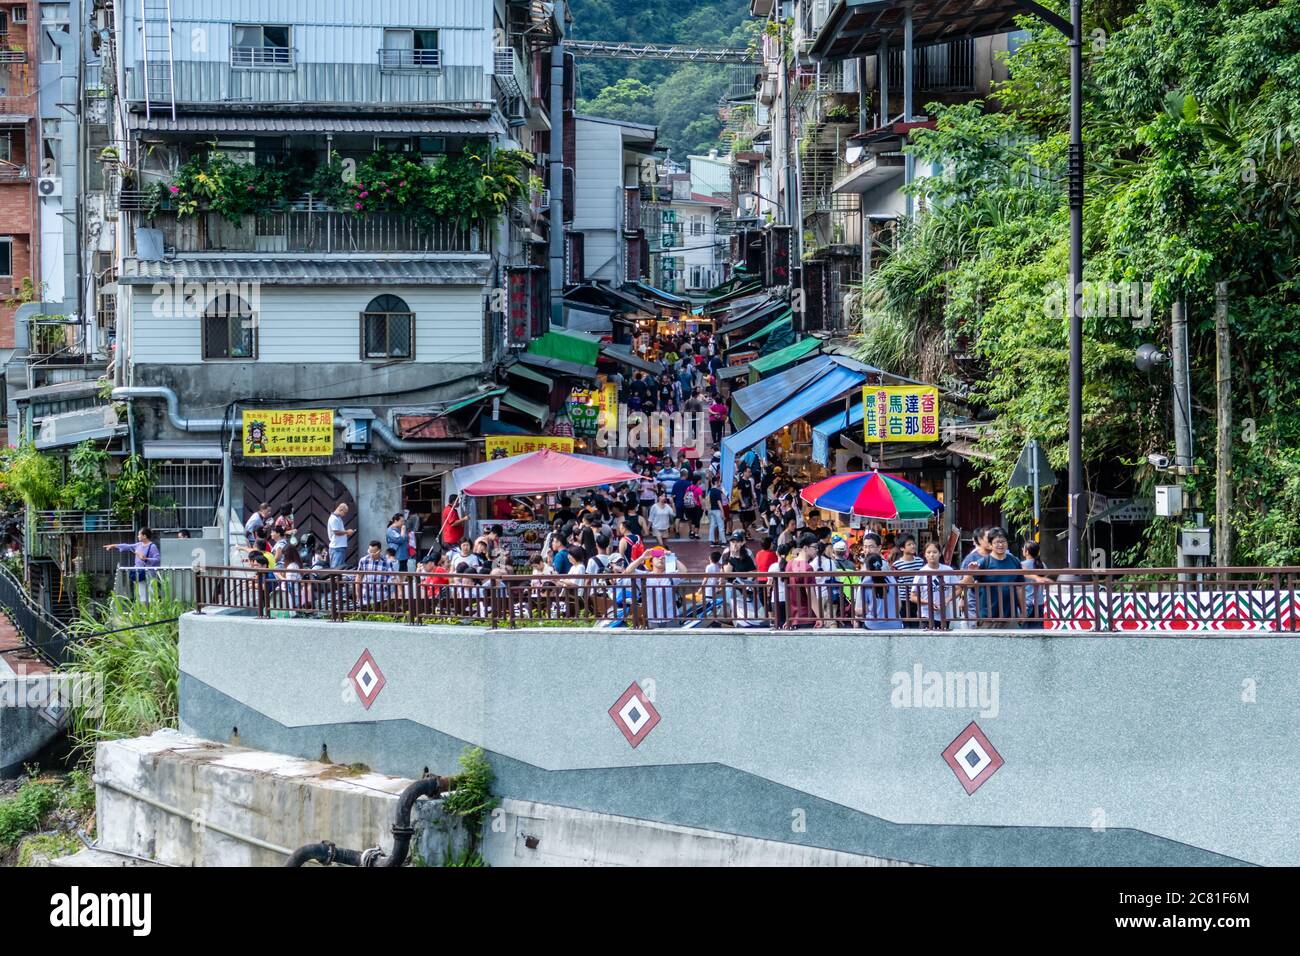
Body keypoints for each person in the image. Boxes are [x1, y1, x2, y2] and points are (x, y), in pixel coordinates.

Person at [969, 528, 1025, 627]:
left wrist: (1023, 612)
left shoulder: (1015, 561)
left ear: (1007, 543)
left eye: (1003, 541)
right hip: (988, 617)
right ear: (990, 545)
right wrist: (971, 572)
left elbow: (1019, 587)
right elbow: (970, 584)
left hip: (1010, 616)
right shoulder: (983, 562)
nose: (1000, 545)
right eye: (996, 542)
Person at [103, 528, 161, 603]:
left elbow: (157, 559)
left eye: (139, 534)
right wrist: (114, 546)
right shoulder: (138, 545)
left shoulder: (152, 546)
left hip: (150, 573)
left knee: (151, 593)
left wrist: (146, 559)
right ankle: (145, 613)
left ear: (145, 536)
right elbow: (127, 546)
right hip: (139, 572)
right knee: (142, 593)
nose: (138, 536)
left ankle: (153, 612)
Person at [912, 541, 959, 629]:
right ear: (925, 555)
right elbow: (913, 596)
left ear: (940, 553)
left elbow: (958, 589)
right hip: (926, 615)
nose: (931, 555)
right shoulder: (921, 573)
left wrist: (947, 599)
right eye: (928, 552)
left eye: (935, 552)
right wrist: (928, 602)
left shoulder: (948, 570)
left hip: (945, 615)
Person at [891, 534, 925, 626]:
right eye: (909, 544)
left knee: (917, 623)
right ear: (902, 548)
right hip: (903, 599)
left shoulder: (920, 561)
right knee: (905, 622)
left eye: (913, 544)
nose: (913, 546)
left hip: (918, 597)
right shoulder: (897, 564)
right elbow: (894, 582)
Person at [1021, 539, 1051, 629]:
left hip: (1026, 602)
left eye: (1023, 549)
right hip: (1039, 602)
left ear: (1026, 552)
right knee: (1037, 630)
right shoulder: (1042, 565)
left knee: (1024, 630)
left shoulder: (1021, 565)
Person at [327, 502, 355, 569]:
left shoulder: (337, 518)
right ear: (341, 509)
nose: (344, 515)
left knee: (339, 568)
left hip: (339, 547)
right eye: (344, 513)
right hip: (337, 547)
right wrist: (347, 532)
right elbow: (336, 532)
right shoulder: (334, 519)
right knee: (336, 569)